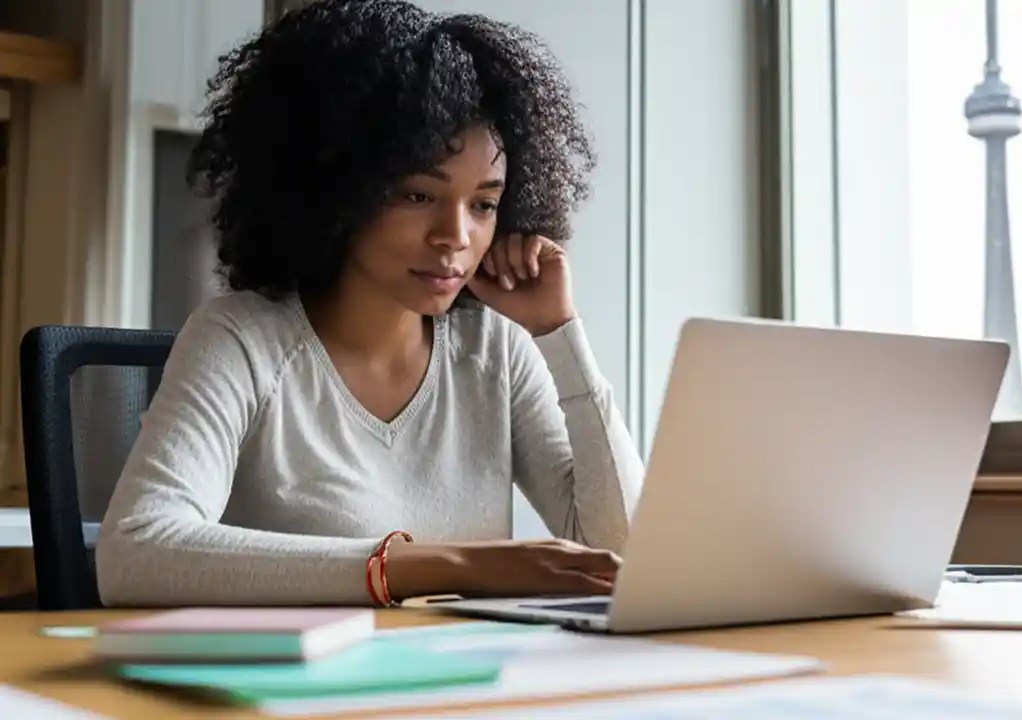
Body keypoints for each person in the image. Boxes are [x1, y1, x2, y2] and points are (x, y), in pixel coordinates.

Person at [96, 0, 644, 607]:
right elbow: (135, 551)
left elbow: (625, 551)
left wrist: (559, 334)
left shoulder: (497, 351)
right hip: (299, 695)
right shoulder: (240, 341)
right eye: (417, 194)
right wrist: (441, 566)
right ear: (336, 190)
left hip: (465, 690)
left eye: (484, 205)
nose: (455, 236)